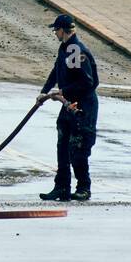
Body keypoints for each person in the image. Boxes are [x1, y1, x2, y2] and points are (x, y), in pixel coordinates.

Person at [37, 13, 100, 202]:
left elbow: (88, 83)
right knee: (63, 145)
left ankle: (84, 188)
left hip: (83, 107)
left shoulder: (75, 50)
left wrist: (62, 91)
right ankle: (62, 187)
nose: (54, 33)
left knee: (78, 147)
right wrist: (45, 91)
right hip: (68, 105)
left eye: (56, 30)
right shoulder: (65, 48)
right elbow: (56, 71)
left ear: (63, 30)